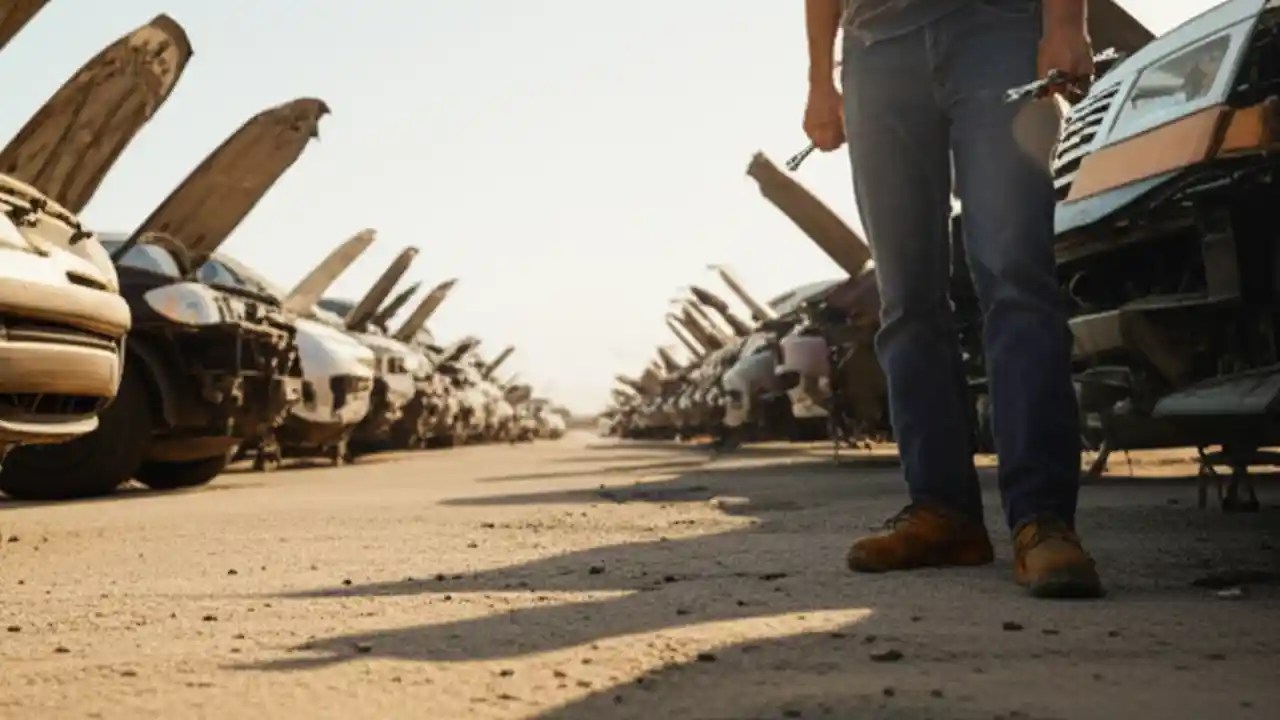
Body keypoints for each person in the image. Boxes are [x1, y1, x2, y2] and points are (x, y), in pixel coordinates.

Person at [802, 0, 1104, 598]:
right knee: (906, 296)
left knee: (1015, 272)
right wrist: (818, 79)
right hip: (875, 47)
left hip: (996, 30)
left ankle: (1042, 520)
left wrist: (1066, 23)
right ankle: (944, 514)